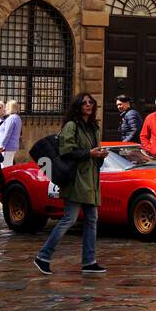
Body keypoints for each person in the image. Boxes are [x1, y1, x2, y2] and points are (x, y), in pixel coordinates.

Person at [34, 93, 107, 276]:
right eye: (84, 103)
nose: (88, 105)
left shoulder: (93, 127)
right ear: (78, 106)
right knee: (69, 219)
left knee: (92, 220)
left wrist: (99, 155)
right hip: (75, 180)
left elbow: (92, 153)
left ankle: (89, 262)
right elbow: (66, 151)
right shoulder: (71, 126)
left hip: (90, 180)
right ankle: (43, 256)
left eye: (91, 102)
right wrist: (90, 153)